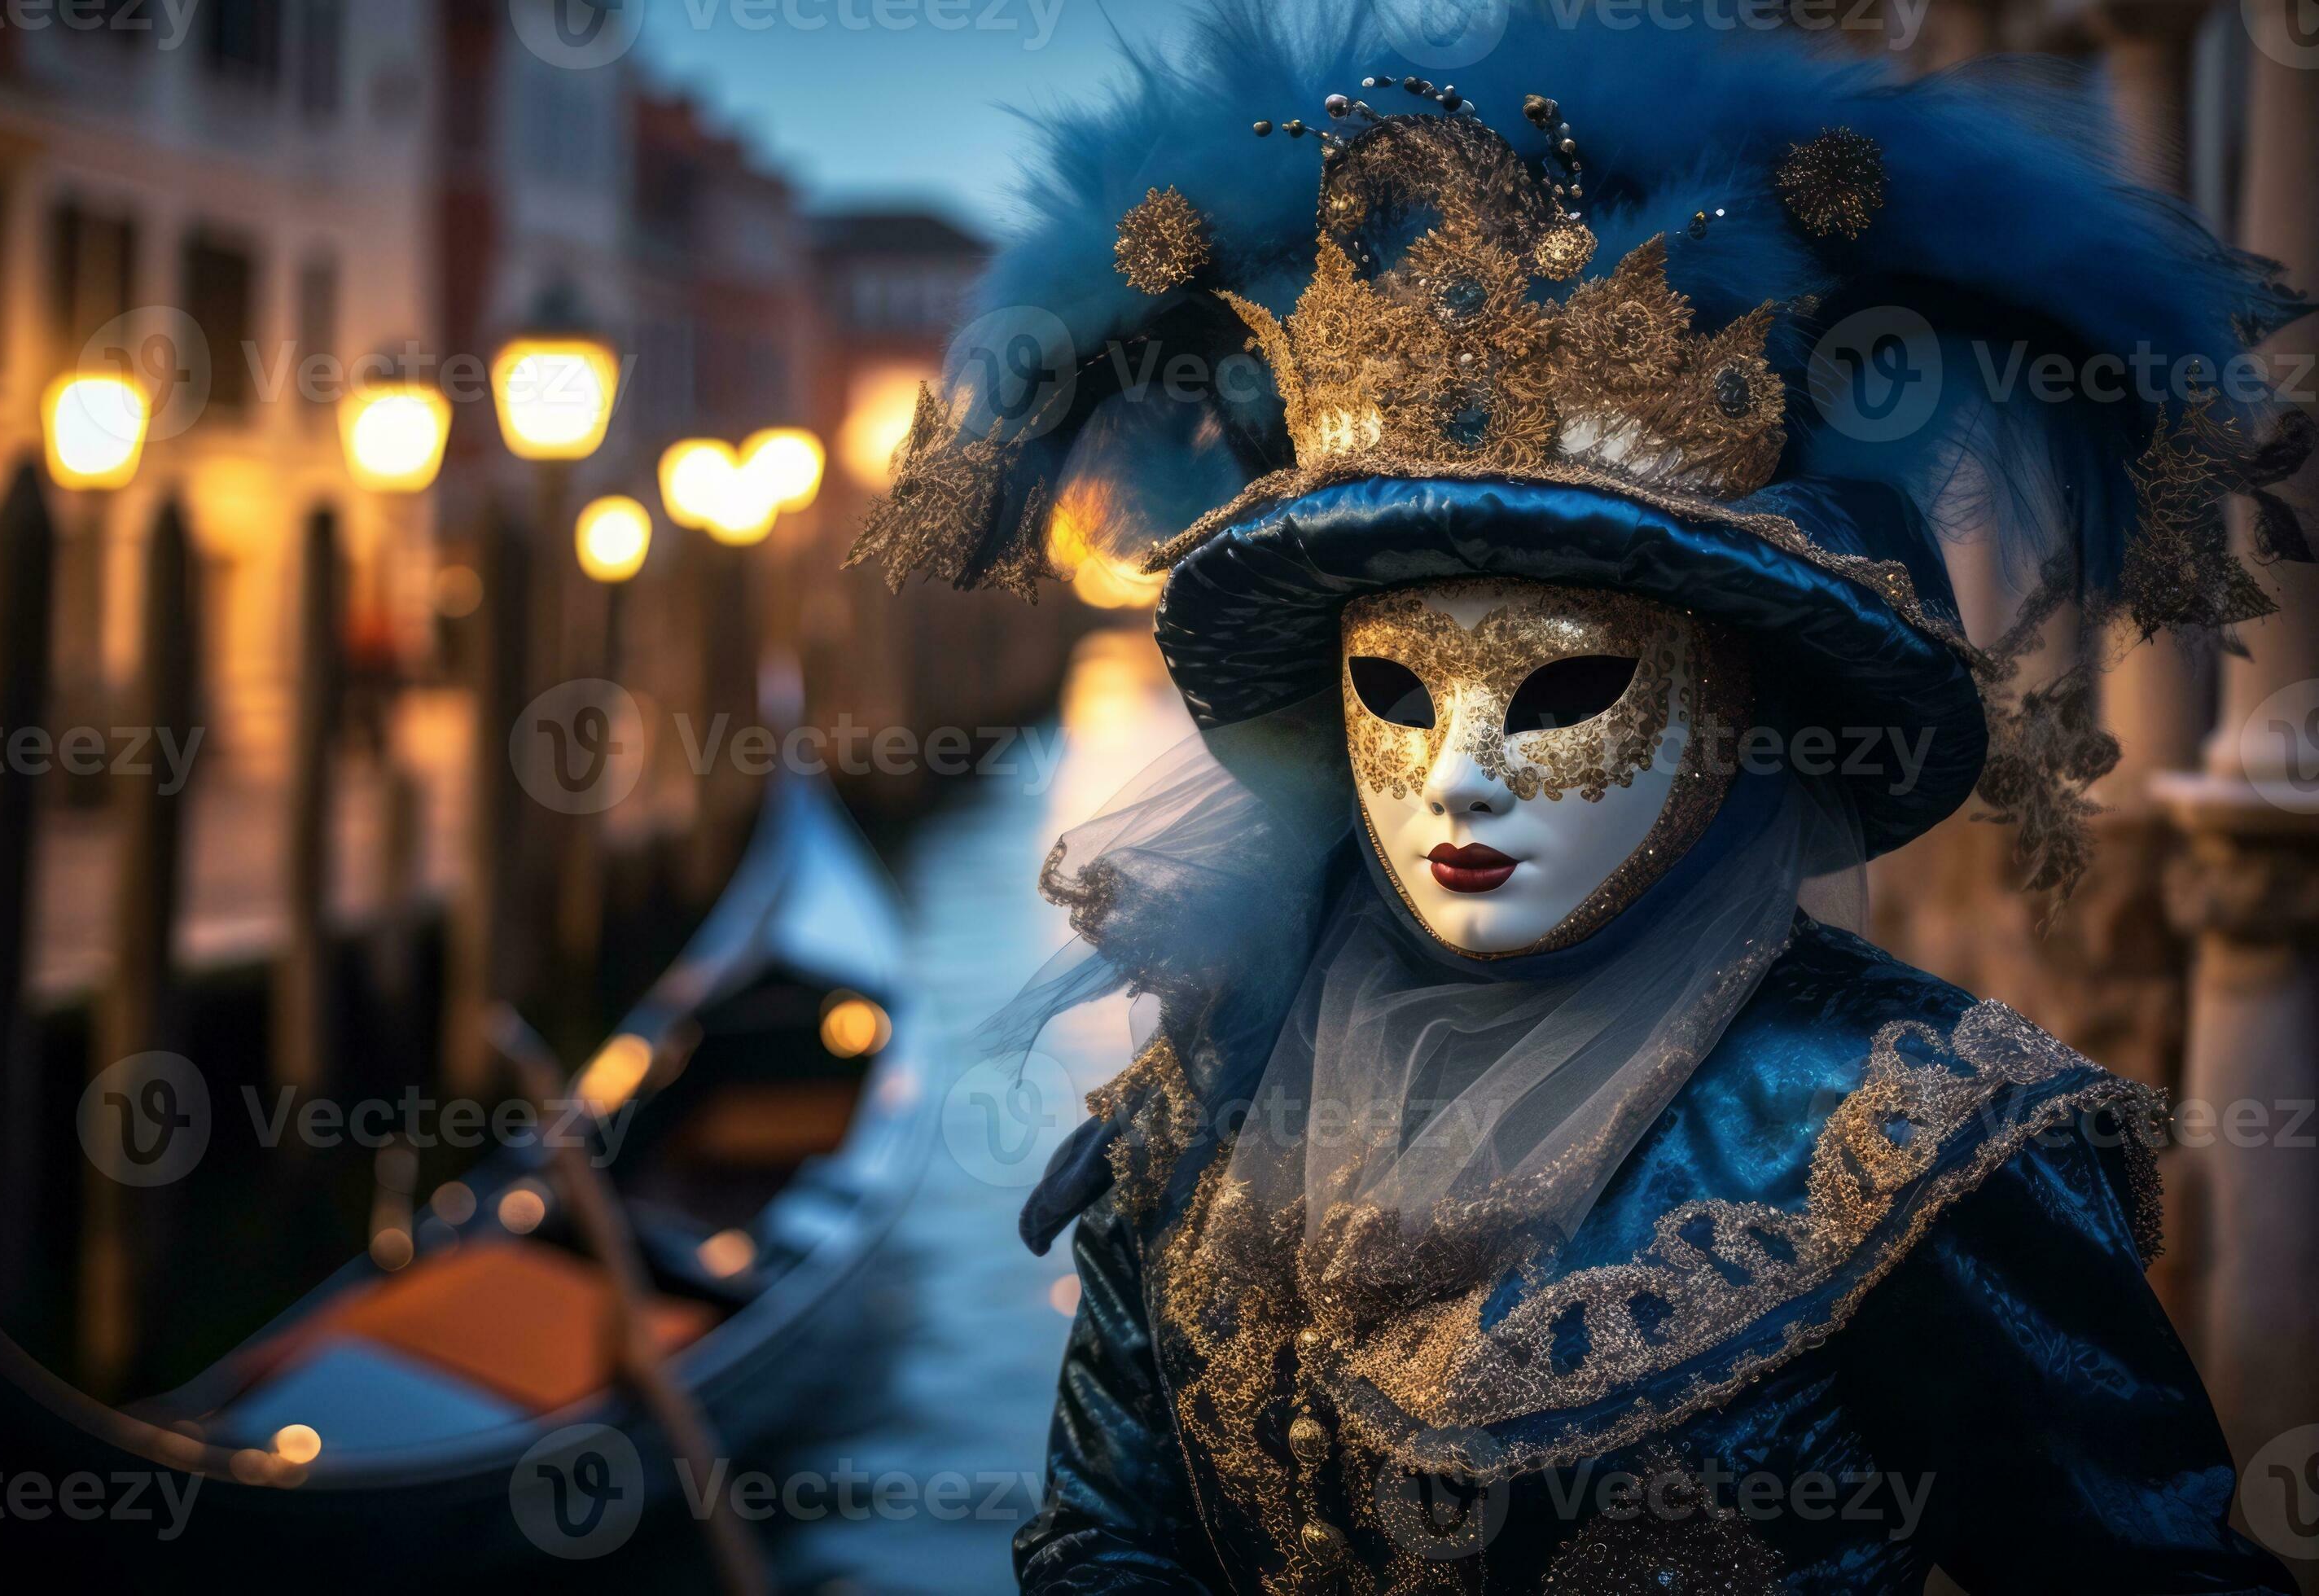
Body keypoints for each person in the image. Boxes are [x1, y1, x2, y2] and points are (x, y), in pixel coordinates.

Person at [850, 5, 2313, 1589]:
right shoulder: (1204, 1110)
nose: (1460, 770)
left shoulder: (1916, 1138)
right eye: (1396, 692)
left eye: (1562, 691)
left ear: (1735, 703)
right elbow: (1105, 1529)